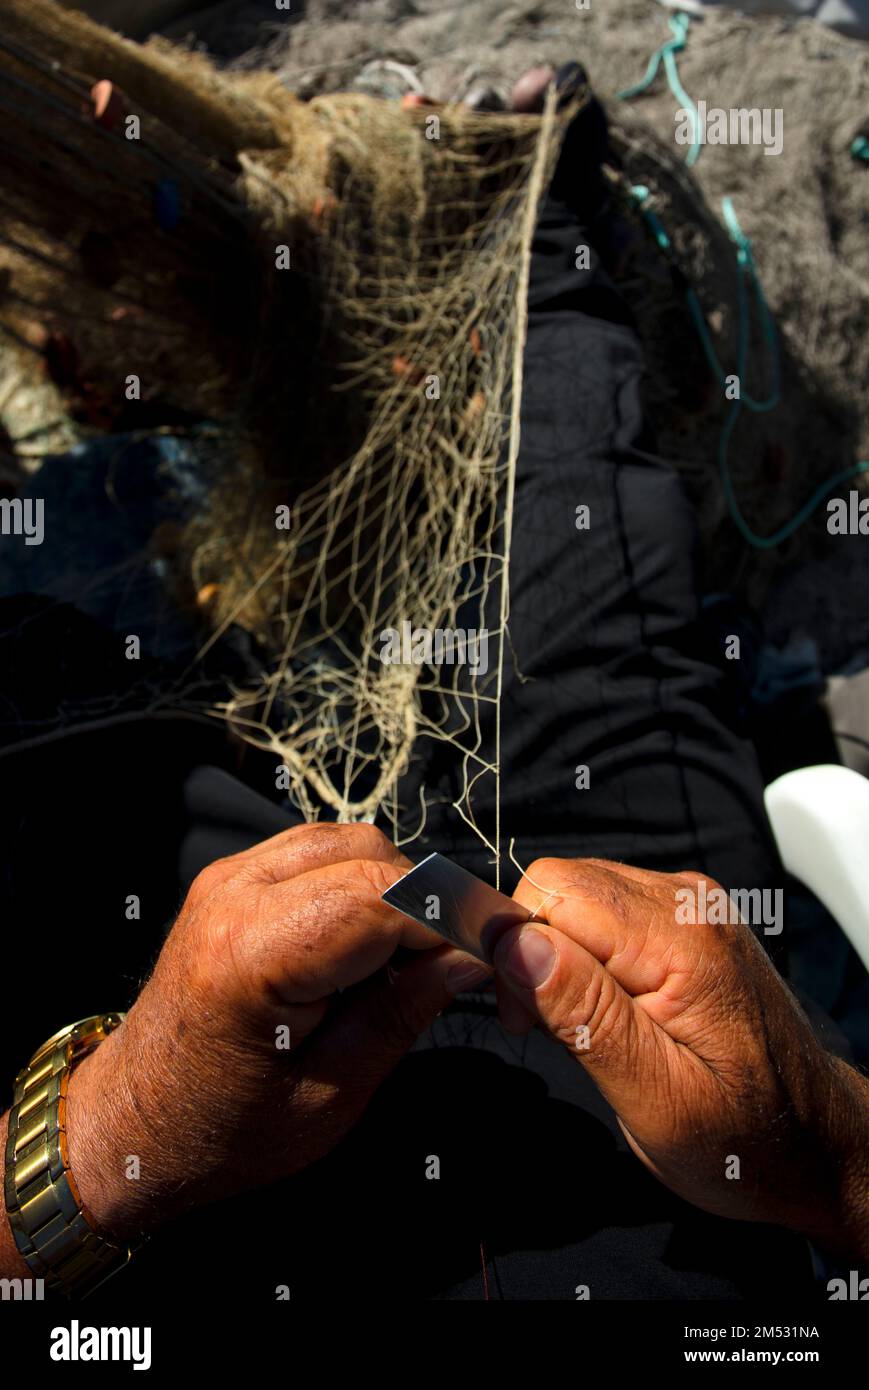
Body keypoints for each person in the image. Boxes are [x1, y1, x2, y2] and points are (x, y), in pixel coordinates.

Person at [1, 68, 867, 1303]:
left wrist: (96, 1145)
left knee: (87, 710)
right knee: (590, 583)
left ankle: (464, 237)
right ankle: (541, 225)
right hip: (664, 1071)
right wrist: (831, 1154)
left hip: (164, 1002)